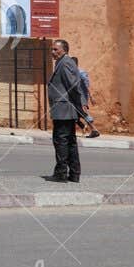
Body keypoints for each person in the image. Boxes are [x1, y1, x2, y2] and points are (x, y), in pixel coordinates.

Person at [47, 38, 83, 182]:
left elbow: (73, 86)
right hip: (64, 109)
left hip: (64, 109)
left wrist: (79, 107)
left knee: (61, 141)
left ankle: (61, 173)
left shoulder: (66, 63)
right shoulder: (61, 63)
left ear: (64, 50)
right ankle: (74, 174)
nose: (52, 52)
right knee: (70, 141)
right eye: (52, 49)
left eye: (55, 49)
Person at [74, 60, 100, 139]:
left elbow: (87, 85)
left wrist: (91, 96)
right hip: (76, 97)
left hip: (82, 97)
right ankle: (84, 127)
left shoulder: (81, 72)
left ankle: (94, 130)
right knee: (75, 114)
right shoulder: (72, 73)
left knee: (84, 113)